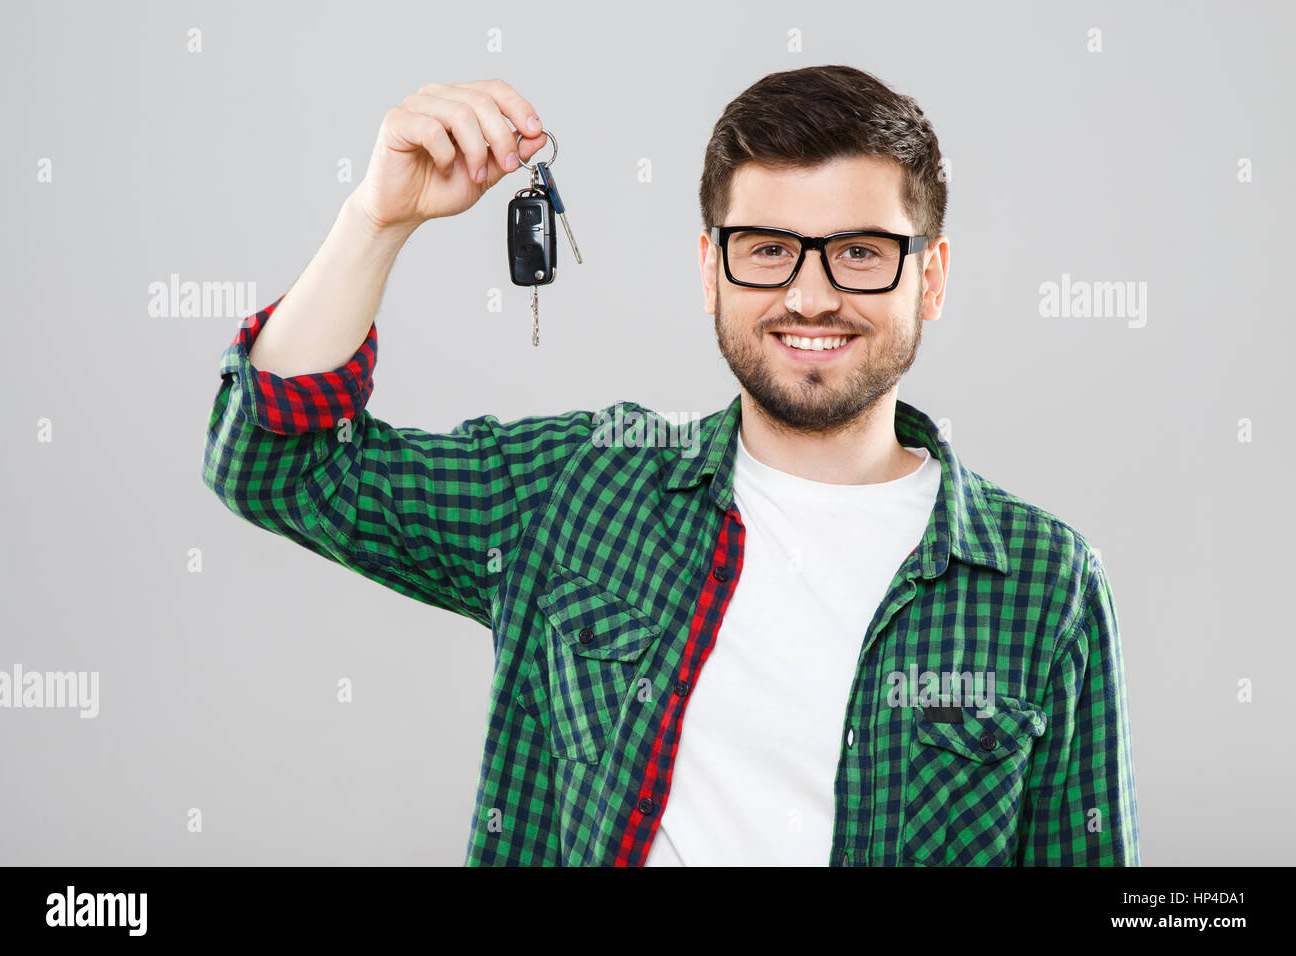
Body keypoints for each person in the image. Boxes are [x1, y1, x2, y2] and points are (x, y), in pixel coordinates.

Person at [202, 65, 1139, 866]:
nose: (810, 296)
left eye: (859, 253)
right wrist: (377, 219)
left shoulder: (1045, 581)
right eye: (768, 251)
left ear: (928, 277)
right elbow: (274, 467)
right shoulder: (577, 489)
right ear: (710, 269)